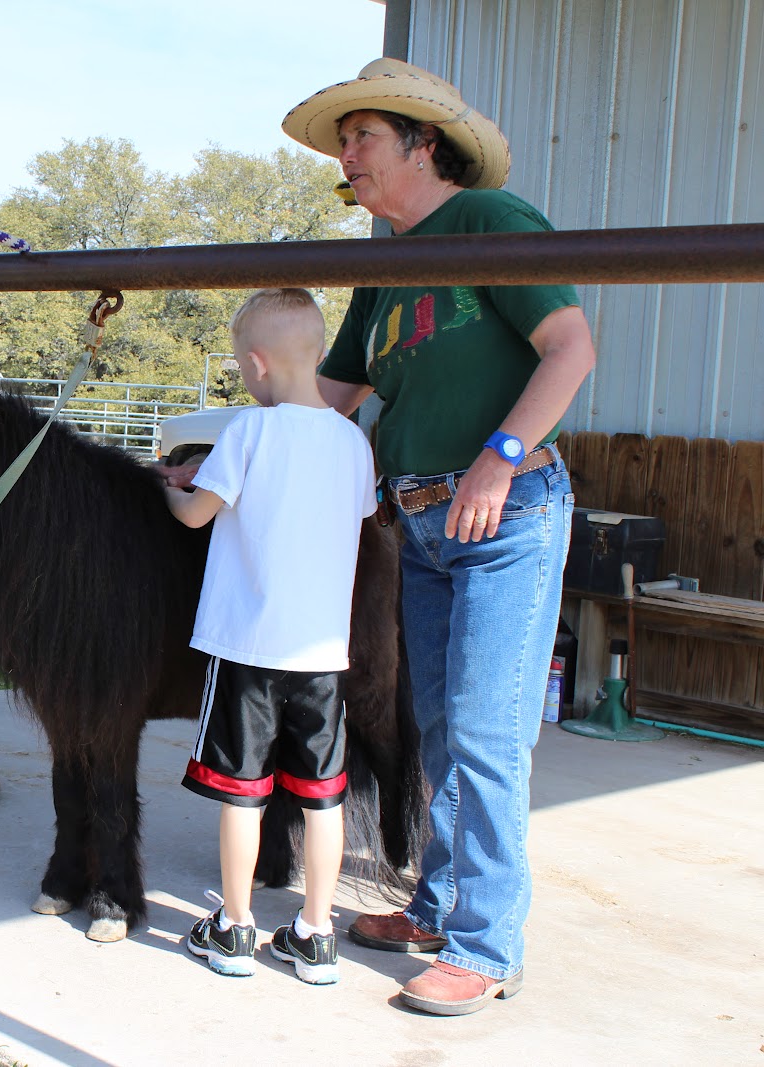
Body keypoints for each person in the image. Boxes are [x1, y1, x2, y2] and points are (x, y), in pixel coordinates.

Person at [282, 59, 597, 1015]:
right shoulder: (380, 263)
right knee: (441, 724)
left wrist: (500, 458)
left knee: (488, 729)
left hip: (507, 511)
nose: (346, 156)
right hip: (416, 521)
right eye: (342, 140)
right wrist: (225, 451)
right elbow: (329, 399)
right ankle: (439, 902)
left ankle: (486, 944)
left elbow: (570, 347)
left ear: (426, 145)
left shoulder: (494, 224)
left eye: (362, 136)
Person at [164, 288, 376, 985]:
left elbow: (197, 517)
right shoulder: (353, 441)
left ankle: (233, 926)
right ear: (316, 353)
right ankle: (316, 934)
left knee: (242, 790)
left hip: (249, 649)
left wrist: (171, 484)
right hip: (322, 655)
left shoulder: (248, 433)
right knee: (322, 796)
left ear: (256, 364)